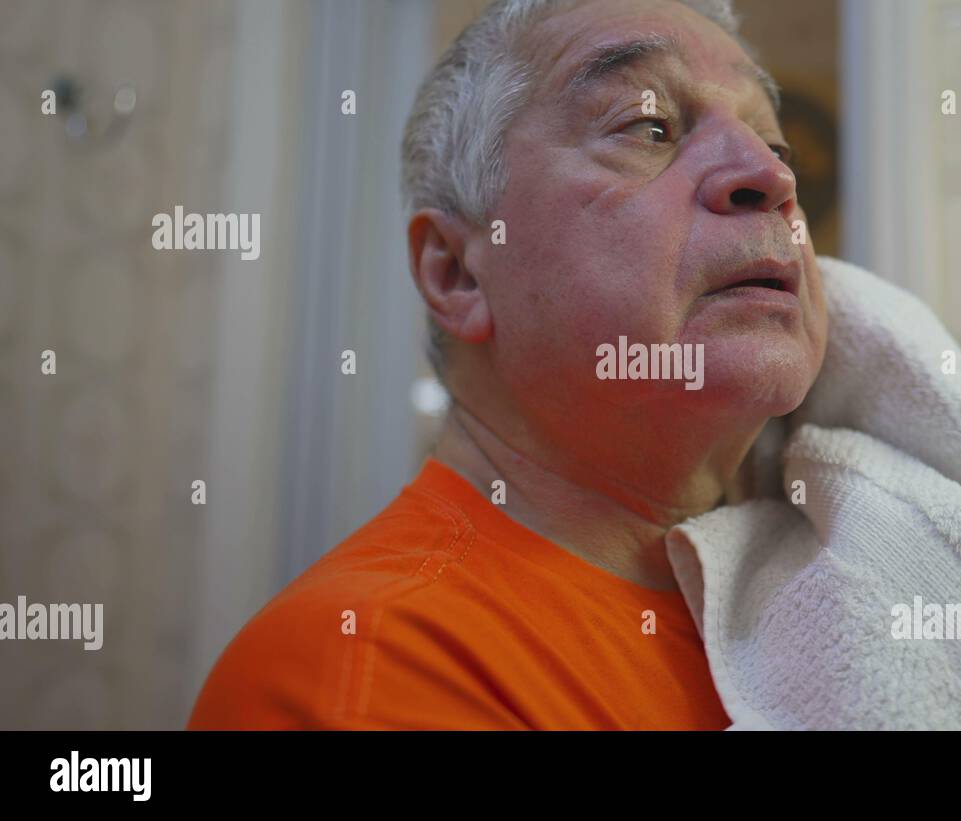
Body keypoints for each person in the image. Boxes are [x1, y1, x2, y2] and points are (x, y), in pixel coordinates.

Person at [188, 0, 825, 730]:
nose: (769, 177)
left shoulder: (830, 605)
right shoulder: (363, 670)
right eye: (649, 126)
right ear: (459, 272)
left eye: (777, 146)